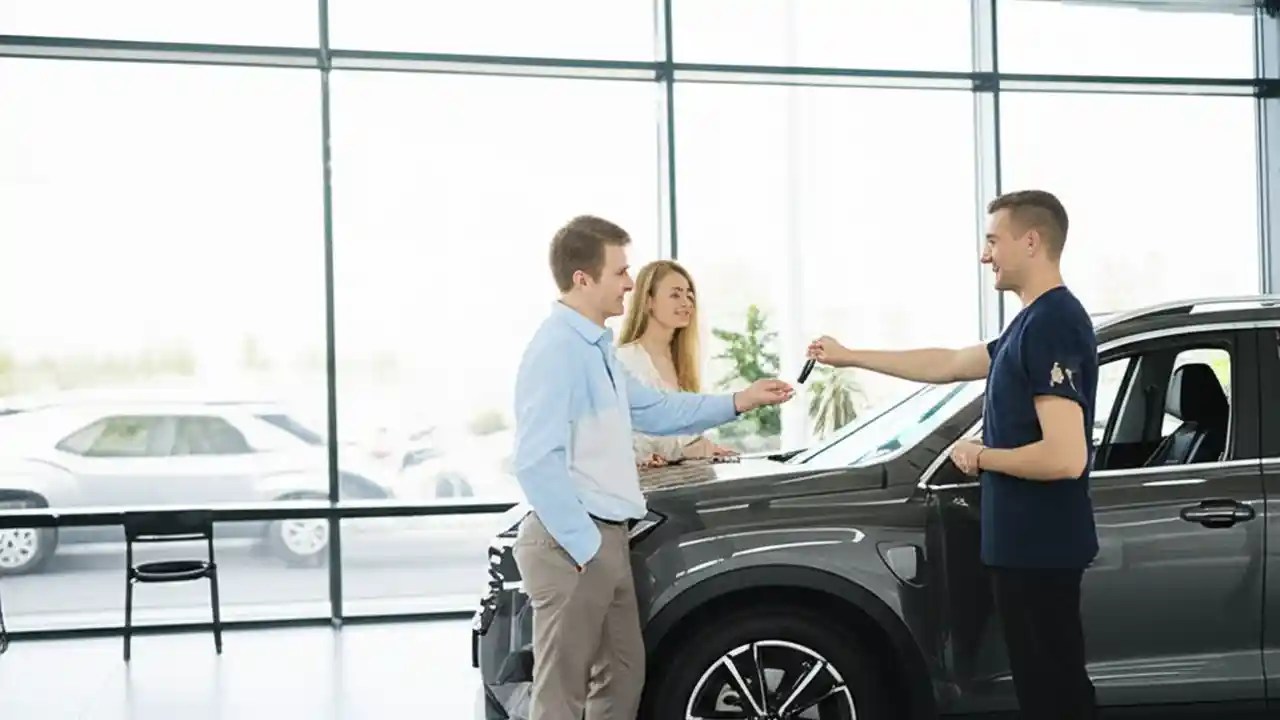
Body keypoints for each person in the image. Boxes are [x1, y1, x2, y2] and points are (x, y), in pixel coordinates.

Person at [807, 190, 1099, 720]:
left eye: (993, 241)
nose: (985, 255)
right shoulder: (1029, 324)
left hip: (1042, 546)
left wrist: (983, 457)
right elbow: (949, 362)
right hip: (1023, 545)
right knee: (1044, 688)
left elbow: (1065, 456)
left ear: (1030, 242)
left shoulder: (1055, 322)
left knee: (1056, 691)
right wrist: (851, 356)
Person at [513, 215, 794, 720]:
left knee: (621, 677)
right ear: (583, 278)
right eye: (620, 272)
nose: (628, 282)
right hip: (574, 544)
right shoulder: (556, 350)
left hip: (609, 537)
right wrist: (584, 546)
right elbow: (536, 462)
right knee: (560, 695)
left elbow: (657, 409)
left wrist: (740, 400)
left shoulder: (596, 351)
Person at [615, 259, 738, 467]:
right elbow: (628, 434)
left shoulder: (684, 364)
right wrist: (688, 449)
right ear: (648, 302)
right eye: (675, 295)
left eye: (689, 295)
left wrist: (704, 447)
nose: (686, 303)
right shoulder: (624, 360)